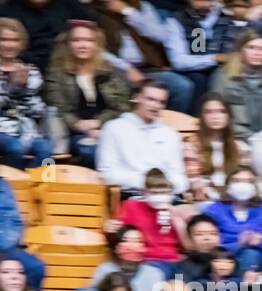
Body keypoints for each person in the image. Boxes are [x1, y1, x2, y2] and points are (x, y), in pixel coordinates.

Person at [43, 20, 131, 167]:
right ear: (68, 44)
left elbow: (122, 106)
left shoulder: (109, 71)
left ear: (96, 44)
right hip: (74, 132)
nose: (83, 45)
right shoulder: (56, 73)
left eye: (89, 40)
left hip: (107, 130)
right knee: (92, 151)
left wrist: (98, 123)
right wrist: (79, 125)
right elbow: (57, 107)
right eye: (76, 40)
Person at [96, 78, 188, 197]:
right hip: (130, 195)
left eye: (161, 102)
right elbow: (107, 174)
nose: (156, 105)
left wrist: (166, 186)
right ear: (137, 97)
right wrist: (147, 183)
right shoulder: (113, 128)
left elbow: (180, 177)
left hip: (166, 197)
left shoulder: (170, 134)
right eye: (151, 99)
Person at [206, 164, 262, 272]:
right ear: (228, 185)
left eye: (248, 181)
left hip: (255, 261)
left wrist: (261, 243)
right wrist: (239, 244)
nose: (242, 185)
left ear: (255, 187)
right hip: (222, 259)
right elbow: (210, 246)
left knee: (251, 254)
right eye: (236, 181)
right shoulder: (214, 210)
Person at [0, 18, 51, 169]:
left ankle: (42, 187)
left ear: (21, 43)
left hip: (26, 129)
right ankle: (13, 189)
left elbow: (35, 109)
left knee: (46, 150)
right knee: (15, 148)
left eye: (15, 40)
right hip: (2, 130)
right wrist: (12, 88)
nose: (9, 45)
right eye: (3, 39)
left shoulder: (31, 71)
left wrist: (25, 92)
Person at [210, 29, 262, 139]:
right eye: (251, 48)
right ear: (241, 50)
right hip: (236, 139)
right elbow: (216, 115)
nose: (257, 53)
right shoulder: (223, 77)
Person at [116, 167, 185, 264]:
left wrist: (176, 219)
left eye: (164, 192)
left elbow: (187, 246)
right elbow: (119, 238)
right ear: (143, 192)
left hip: (173, 262)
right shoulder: (130, 206)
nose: (160, 197)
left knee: (180, 277)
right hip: (143, 261)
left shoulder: (177, 211)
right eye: (154, 193)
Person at [191, 94, 246, 203]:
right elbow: (193, 180)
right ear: (202, 117)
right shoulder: (192, 145)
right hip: (205, 200)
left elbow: (244, 178)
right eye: (209, 112)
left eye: (221, 111)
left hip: (234, 199)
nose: (215, 116)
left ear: (228, 116)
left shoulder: (240, 147)